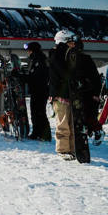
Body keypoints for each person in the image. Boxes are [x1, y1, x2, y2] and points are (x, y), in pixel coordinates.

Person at [67, 36, 104, 145]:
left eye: (72, 44)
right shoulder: (68, 59)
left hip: (87, 91)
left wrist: (96, 93)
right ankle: (83, 133)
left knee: (88, 115)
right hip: (75, 92)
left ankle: (97, 131)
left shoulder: (86, 59)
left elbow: (95, 78)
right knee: (78, 116)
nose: (70, 46)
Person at [48, 30, 77, 160]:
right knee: (63, 123)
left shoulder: (67, 54)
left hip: (68, 94)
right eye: (70, 41)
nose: (73, 44)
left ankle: (72, 148)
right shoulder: (57, 55)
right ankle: (63, 149)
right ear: (64, 41)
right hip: (60, 95)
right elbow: (65, 73)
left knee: (71, 124)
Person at [23, 42, 51, 141]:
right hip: (37, 90)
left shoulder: (39, 60)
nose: (28, 52)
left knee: (40, 112)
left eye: (29, 50)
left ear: (33, 50)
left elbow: (34, 77)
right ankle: (37, 133)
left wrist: (22, 77)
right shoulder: (37, 59)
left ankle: (45, 135)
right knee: (35, 112)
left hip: (40, 90)